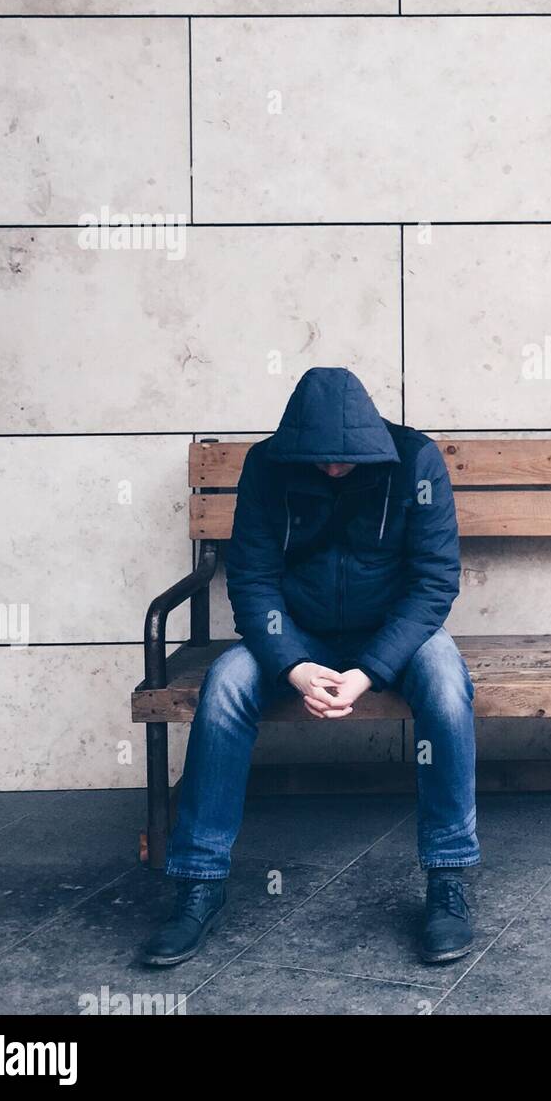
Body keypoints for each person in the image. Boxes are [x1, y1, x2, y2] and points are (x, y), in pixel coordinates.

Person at [140, 366, 477, 968]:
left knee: (448, 685)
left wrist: (371, 669)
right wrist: (293, 665)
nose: (332, 469)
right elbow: (252, 580)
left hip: (392, 636)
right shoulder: (268, 467)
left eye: (345, 460)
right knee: (224, 687)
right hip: (294, 635)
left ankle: (448, 880)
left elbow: (433, 583)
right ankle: (198, 884)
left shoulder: (415, 460)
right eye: (320, 460)